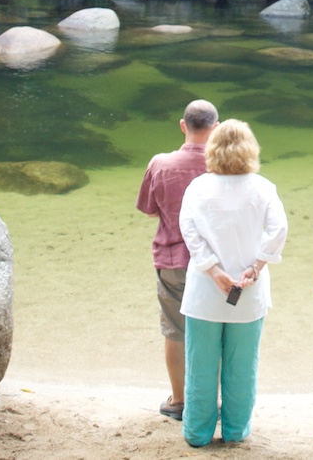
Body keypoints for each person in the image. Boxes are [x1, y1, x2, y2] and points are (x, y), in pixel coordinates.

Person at [178, 118, 288, 447]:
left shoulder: (198, 187)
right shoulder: (263, 187)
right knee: (242, 367)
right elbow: (279, 230)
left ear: (212, 148)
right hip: (248, 291)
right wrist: (256, 266)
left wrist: (212, 269)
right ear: (250, 149)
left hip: (205, 292)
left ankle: (197, 433)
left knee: (200, 367)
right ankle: (236, 430)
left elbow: (189, 231)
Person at [135, 99, 218, 421]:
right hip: (215, 265)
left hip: (172, 258)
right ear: (216, 128)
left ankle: (179, 400)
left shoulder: (160, 163)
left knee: (175, 330)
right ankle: (211, 398)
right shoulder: (223, 166)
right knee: (214, 330)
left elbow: (148, 208)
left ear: (183, 126)